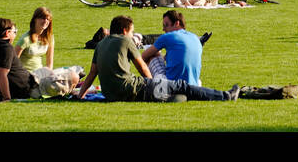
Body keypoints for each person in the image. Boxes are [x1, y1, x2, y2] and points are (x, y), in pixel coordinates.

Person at [71, 16, 238, 102]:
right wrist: (153, 84)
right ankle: (225, 96)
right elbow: (142, 67)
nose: (132, 35)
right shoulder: (125, 41)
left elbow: (93, 73)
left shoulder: (101, 44)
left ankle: (171, 96)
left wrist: (81, 95)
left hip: (110, 93)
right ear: (124, 30)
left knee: (178, 92)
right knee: (183, 86)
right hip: (130, 89)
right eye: (131, 31)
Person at [141, 10, 207, 85]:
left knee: (152, 55)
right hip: (194, 85)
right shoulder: (195, 37)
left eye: (166, 25)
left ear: (177, 23)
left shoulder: (167, 36)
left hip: (171, 86)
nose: (163, 29)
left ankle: (151, 88)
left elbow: (143, 56)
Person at [16, 7, 55, 71]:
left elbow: (49, 63)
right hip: (25, 74)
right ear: (35, 19)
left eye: (48, 19)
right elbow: (13, 61)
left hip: (39, 73)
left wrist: (49, 75)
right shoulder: (25, 39)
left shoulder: (50, 38)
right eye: (43, 18)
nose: (45, 21)